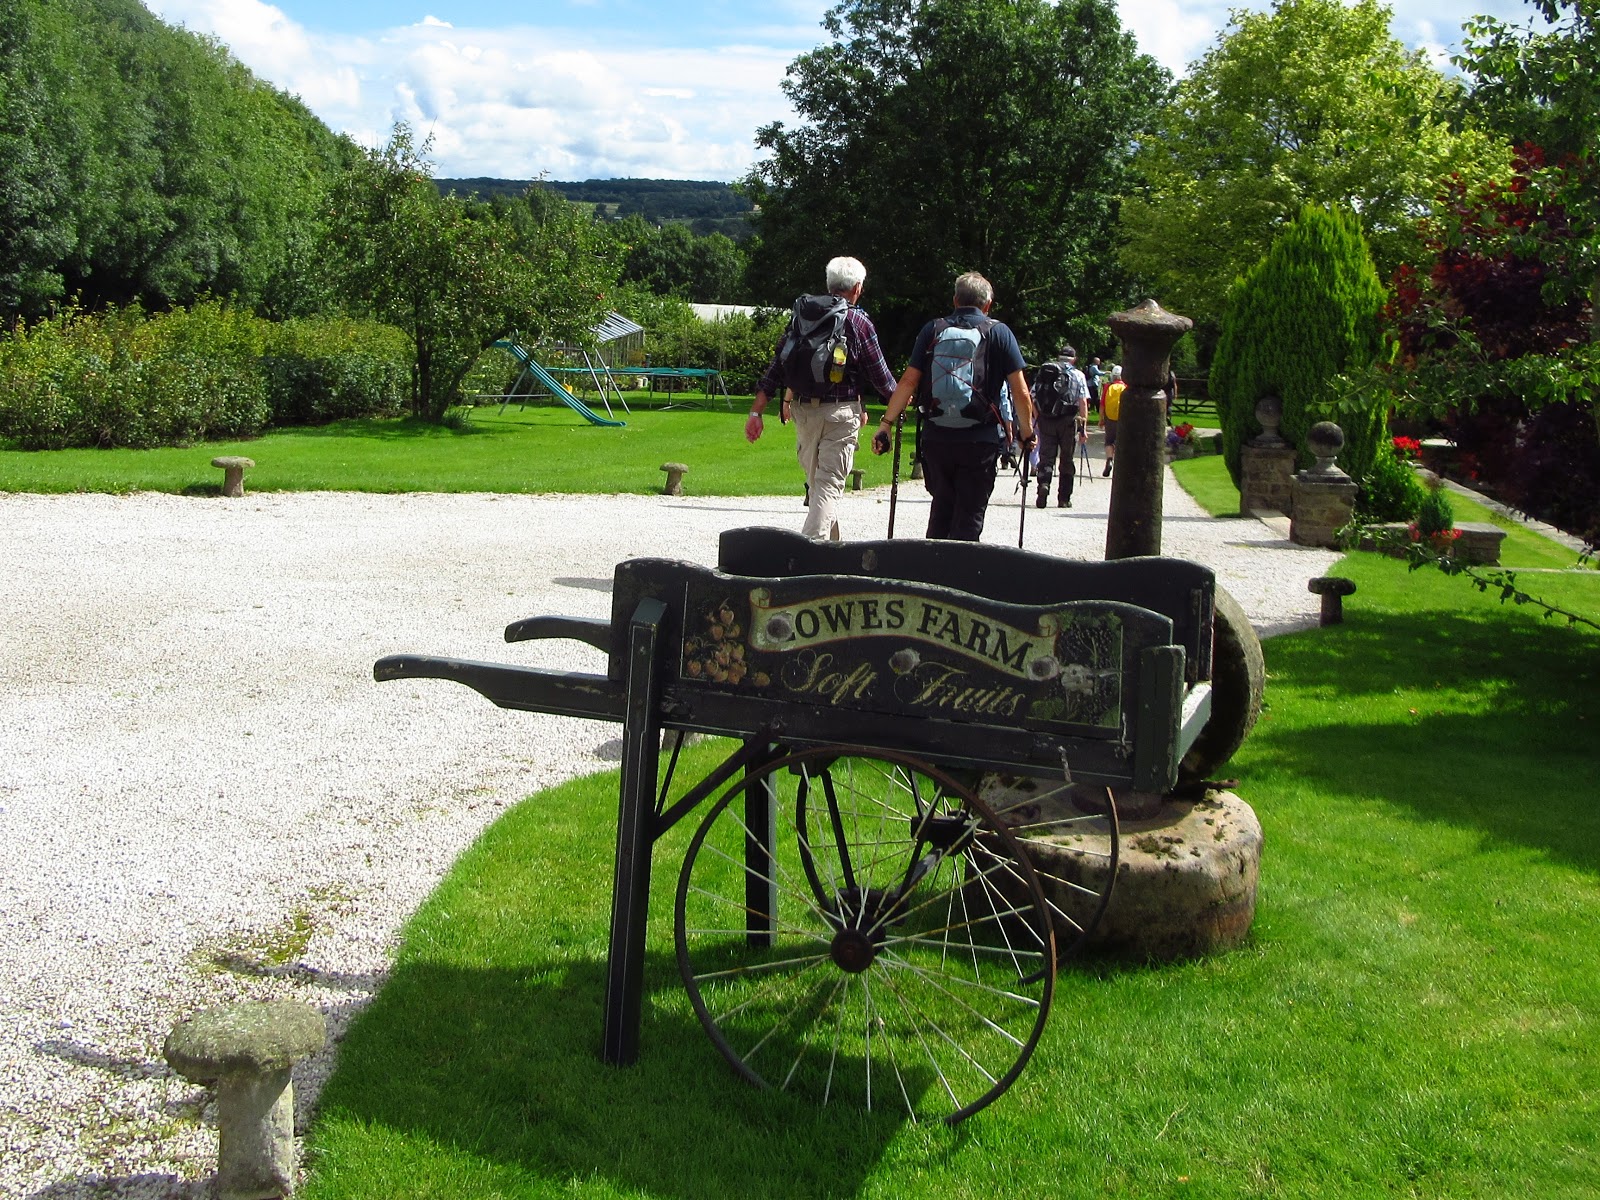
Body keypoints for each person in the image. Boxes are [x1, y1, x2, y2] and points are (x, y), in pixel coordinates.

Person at [870, 272, 1034, 541]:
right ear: (988, 305)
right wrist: (1027, 433)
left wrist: (886, 424)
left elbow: (909, 381)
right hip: (978, 441)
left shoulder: (933, 329)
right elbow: (1021, 391)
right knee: (969, 515)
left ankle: (932, 572)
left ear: (955, 300)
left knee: (941, 508)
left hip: (937, 438)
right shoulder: (999, 333)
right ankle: (958, 576)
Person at [746, 257, 897, 541]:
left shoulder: (802, 317)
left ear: (829, 286)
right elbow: (881, 377)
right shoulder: (859, 321)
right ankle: (806, 556)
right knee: (827, 486)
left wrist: (756, 413)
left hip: (803, 412)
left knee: (819, 488)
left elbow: (778, 365)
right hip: (841, 415)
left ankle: (832, 554)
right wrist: (901, 400)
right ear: (857, 288)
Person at [1033, 346, 1089, 508]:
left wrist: (1039, 418)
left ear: (1059, 357)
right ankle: (1064, 498)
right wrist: (1083, 427)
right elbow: (1083, 402)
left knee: (1046, 457)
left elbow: (1033, 396)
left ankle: (1043, 485)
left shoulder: (1046, 372)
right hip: (1068, 421)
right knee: (1066, 459)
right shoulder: (1078, 375)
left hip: (1046, 420)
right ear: (1074, 359)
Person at [1100, 364, 1125, 476]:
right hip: (1123, 419)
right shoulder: (1126, 387)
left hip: (1110, 418)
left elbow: (1102, 405)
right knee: (1122, 442)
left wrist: (1101, 419)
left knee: (1109, 441)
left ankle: (1109, 460)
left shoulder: (1107, 387)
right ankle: (1120, 467)